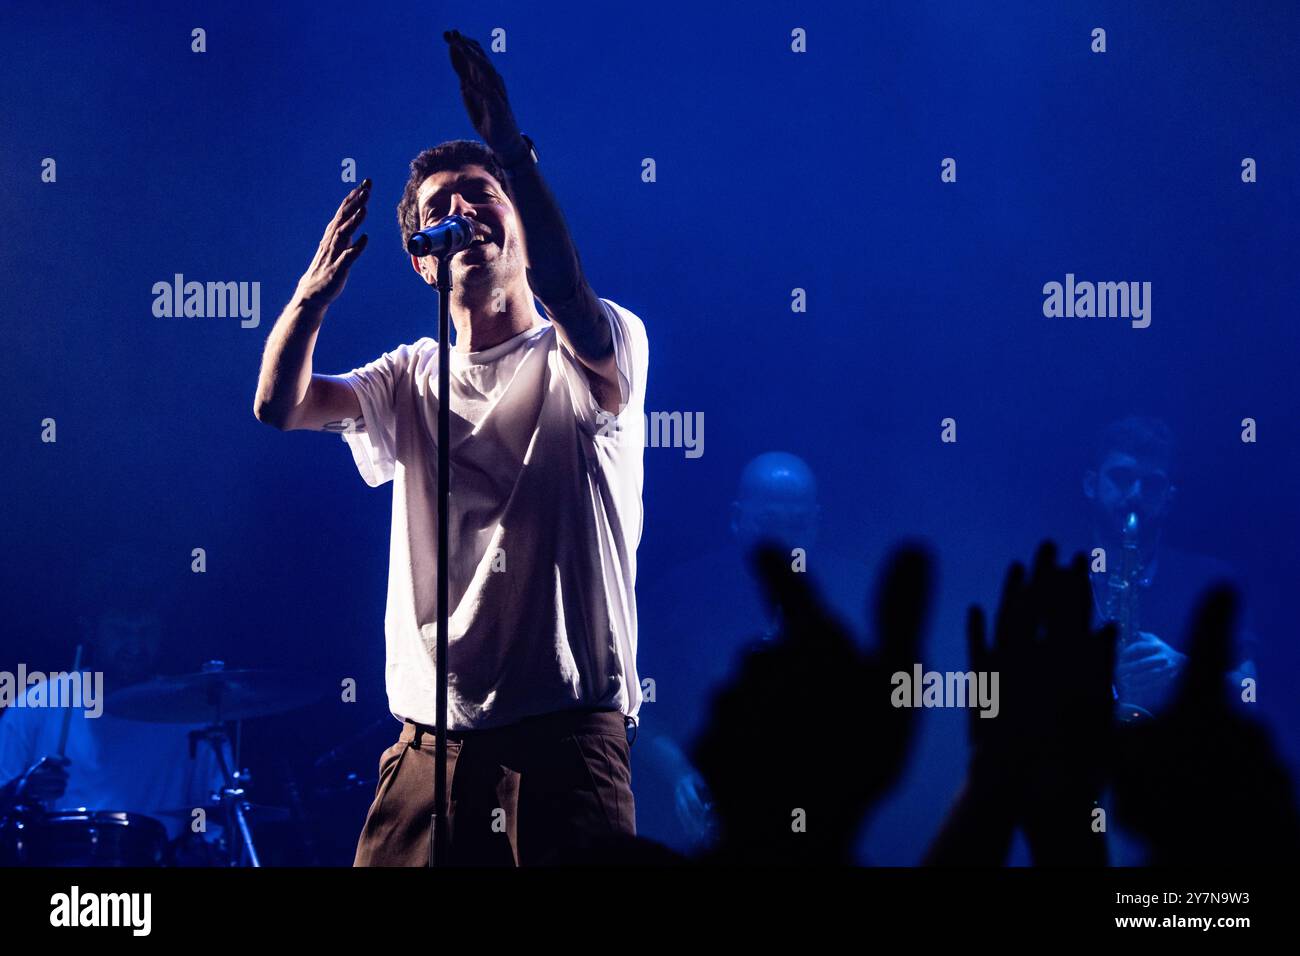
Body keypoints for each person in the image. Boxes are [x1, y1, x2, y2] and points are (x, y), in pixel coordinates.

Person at [253, 31, 648, 866]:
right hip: (430, 752)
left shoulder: (593, 351)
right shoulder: (408, 377)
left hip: (565, 749)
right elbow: (278, 407)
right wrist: (308, 300)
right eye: (440, 208)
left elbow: (570, 297)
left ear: (521, 222)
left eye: (482, 195)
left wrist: (511, 149)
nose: (461, 213)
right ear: (420, 263)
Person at [635, 452, 870, 853]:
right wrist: (679, 773)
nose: (781, 542)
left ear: (815, 523)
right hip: (709, 822)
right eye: (767, 524)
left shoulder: (853, 596)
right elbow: (636, 703)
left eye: (794, 525)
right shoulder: (680, 596)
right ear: (737, 518)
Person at [0, 567, 224, 859]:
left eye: (146, 632)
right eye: (121, 632)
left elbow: (216, 811)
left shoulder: (190, 717)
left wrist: (197, 845)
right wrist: (23, 790)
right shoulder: (38, 704)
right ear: (90, 631)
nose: (135, 645)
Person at [1083, 416, 1256, 717]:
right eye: (1121, 477)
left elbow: (1250, 694)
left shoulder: (1213, 582)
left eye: (1151, 483)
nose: (1135, 494)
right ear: (1090, 484)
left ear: (1169, 498)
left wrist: (1181, 667)